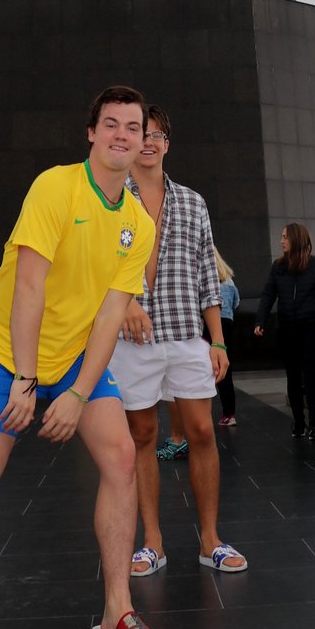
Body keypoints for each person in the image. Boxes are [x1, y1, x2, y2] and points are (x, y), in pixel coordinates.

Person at [0, 85, 163, 629]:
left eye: (133, 126)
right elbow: (28, 286)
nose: (122, 134)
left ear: (145, 140)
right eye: (111, 123)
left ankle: (117, 611)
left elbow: (111, 316)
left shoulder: (138, 226)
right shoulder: (55, 186)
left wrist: (77, 392)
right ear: (91, 133)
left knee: (122, 457)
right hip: (3, 352)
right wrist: (24, 379)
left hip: (72, 355)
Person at [109, 105, 248, 577]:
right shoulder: (109, 199)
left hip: (188, 334)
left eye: (157, 135)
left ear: (168, 143)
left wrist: (219, 341)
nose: (147, 142)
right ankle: (152, 542)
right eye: (141, 133)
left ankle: (210, 540)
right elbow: (95, 266)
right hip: (133, 340)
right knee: (142, 437)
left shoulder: (192, 202)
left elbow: (209, 275)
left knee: (203, 431)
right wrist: (125, 300)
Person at [254, 223, 315, 441]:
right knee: (292, 376)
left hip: (311, 330)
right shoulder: (278, 266)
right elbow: (268, 295)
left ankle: (314, 425)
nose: (281, 241)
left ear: (296, 240)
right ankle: (299, 422)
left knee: (310, 376)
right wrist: (260, 320)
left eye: (284, 238)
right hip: (287, 330)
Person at [214, 248, 240, 427]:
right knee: (225, 369)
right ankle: (229, 413)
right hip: (228, 324)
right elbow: (236, 302)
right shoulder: (229, 281)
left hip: (212, 324)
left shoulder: (208, 279)